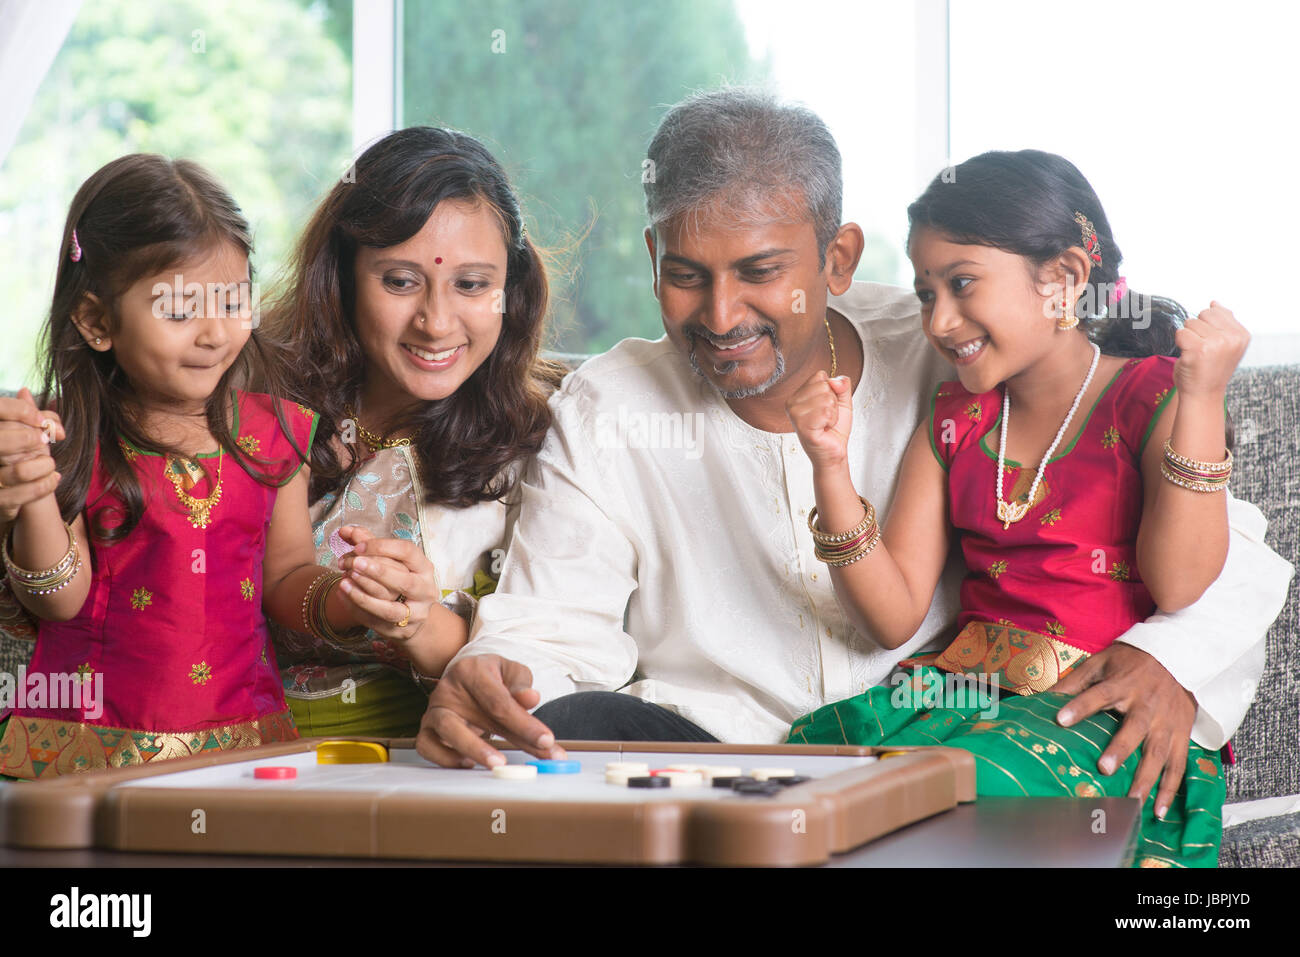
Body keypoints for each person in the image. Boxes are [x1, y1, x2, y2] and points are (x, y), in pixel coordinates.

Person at [416, 89, 1293, 824]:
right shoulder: (609, 406)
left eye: (760, 271)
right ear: (652, 260)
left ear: (837, 258)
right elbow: (551, 621)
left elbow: (1228, 549)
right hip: (718, 764)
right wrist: (489, 678)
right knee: (562, 732)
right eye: (687, 274)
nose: (722, 316)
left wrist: (1175, 663)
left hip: (955, 738)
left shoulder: (955, 349)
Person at [783, 150, 1247, 866]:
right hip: (957, 698)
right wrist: (831, 469)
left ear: (1062, 279)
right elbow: (893, 613)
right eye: (925, 293)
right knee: (797, 786)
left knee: (945, 810)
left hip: (1085, 714)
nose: (940, 321)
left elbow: (1182, 583)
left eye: (962, 284)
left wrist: (1204, 397)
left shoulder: (1151, 396)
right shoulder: (956, 418)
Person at [0, 154, 455, 778]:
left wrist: (350, 595)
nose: (215, 334)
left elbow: (286, 578)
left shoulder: (276, 433)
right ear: (97, 321)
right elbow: (60, 600)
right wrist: (32, 494)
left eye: (234, 300)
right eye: (181, 311)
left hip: (244, 746)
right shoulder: (65, 433)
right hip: (83, 753)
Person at [265, 126, 563, 738]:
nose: (435, 322)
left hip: (432, 765)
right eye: (400, 281)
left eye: (473, 285)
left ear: (513, 289)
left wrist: (415, 621)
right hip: (238, 757)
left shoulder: (548, 442)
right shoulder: (258, 408)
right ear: (341, 277)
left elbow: (541, 665)